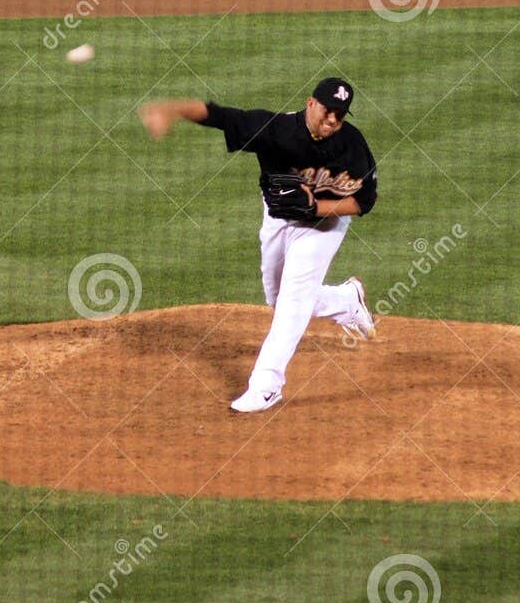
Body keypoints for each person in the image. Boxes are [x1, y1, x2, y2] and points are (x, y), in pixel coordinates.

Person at [139, 77, 378, 412]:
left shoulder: (352, 145)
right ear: (311, 103)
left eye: (341, 114)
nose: (333, 120)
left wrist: (316, 209)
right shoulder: (274, 129)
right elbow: (218, 115)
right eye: (328, 110)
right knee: (278, 298)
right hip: (279, 220)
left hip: (326, 225)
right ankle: (344, 300)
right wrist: (171, 109)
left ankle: (266, 385)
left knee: (293, 301)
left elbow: (363, 202)